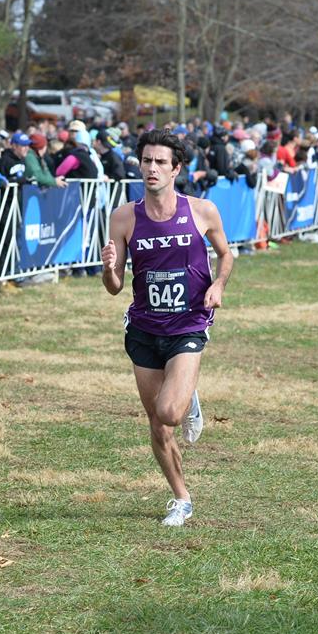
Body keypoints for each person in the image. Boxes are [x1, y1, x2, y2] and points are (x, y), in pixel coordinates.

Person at [100, 129, 234, 528]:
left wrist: (217, 284)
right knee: (158, 425)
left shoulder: (202, 210)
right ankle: (181, 497)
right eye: (147, 161)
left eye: (161, 162)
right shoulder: (124, 217)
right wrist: (108, 268)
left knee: (170, 412)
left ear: (176, 169)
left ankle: (185, 397)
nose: (152, 168)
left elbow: (226, 255)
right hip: (143, 327)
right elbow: (114, 287)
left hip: (188, 322)